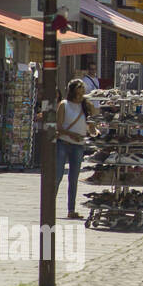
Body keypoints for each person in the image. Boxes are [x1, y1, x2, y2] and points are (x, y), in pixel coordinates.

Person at [56, 80, 99, 220]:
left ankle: (71, 210)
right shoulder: (64, 105)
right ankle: (51, 206)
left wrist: (94, 130)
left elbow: (92, 123)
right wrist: (71, 134)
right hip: (63, 142)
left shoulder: (86, 105)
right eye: (79, 90)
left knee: (73, 178)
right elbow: (59, 127)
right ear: (72, 91)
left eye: (83, 90)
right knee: (57, 176)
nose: (81, 93)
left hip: (78, 145)